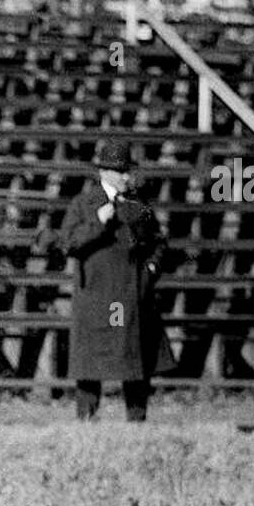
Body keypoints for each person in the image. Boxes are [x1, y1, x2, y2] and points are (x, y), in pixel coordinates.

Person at [59, 138, 171, 422]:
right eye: (119, 170)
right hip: (95, 294)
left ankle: (136, 420)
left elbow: (158, 242)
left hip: (130, 295)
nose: (125, 176)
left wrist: (150, 271)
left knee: (133, 358)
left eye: (126, 170)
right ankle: (86, 419)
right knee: (90, 361)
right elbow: (69, 243)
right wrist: (98, 221)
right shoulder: (84, 204)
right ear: (103, 173)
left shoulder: (138, 205)